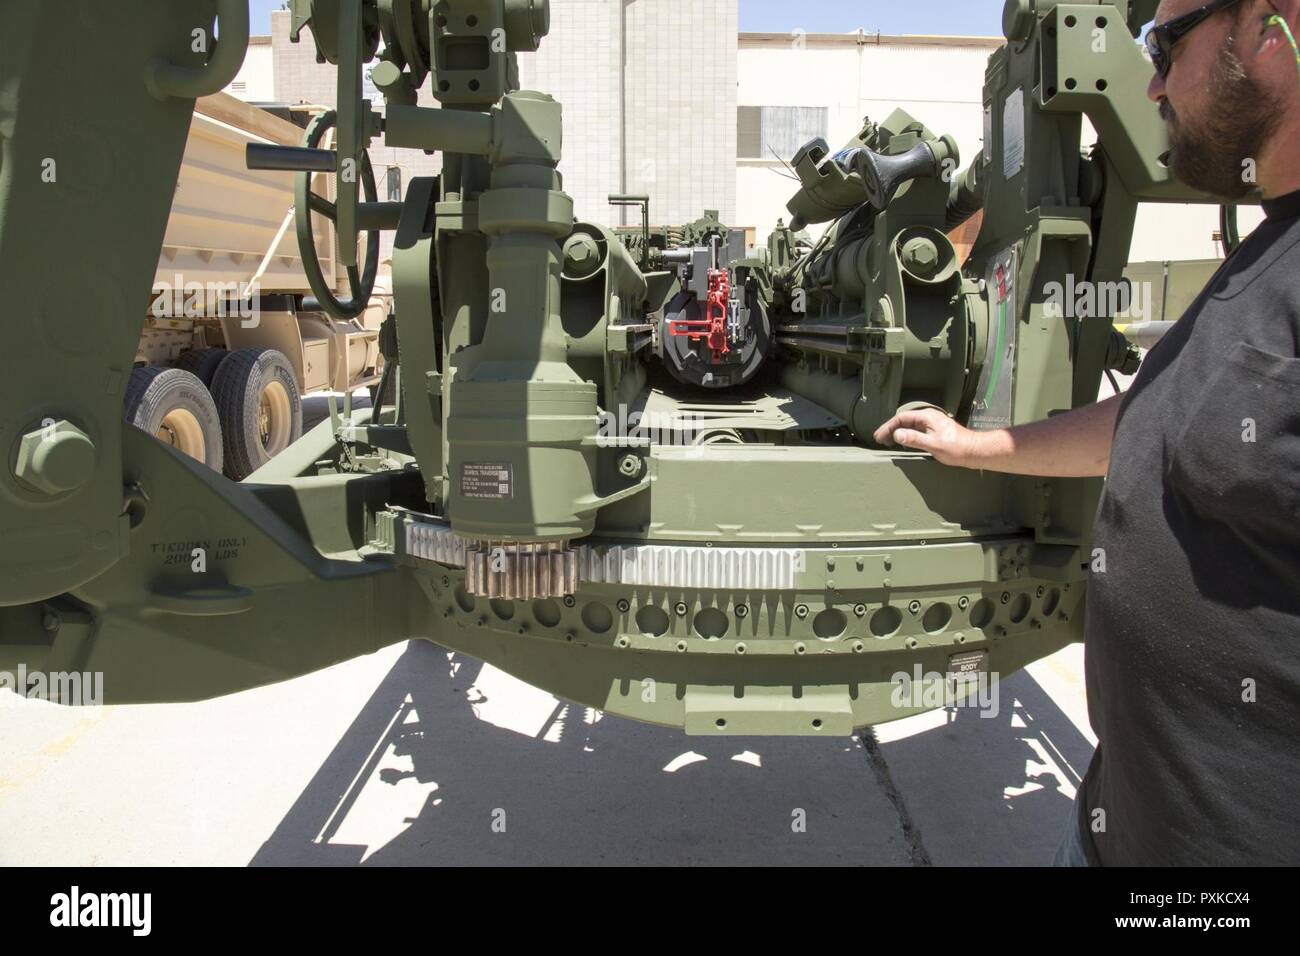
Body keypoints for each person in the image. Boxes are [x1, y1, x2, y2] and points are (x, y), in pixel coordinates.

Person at [874, 0, 1300, 866]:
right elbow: (1160, 415)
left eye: (1164, 43)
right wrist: (982, 445)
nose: (1148, 80)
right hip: (1121, 825)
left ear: (1269, 27)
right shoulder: (1266, 260)